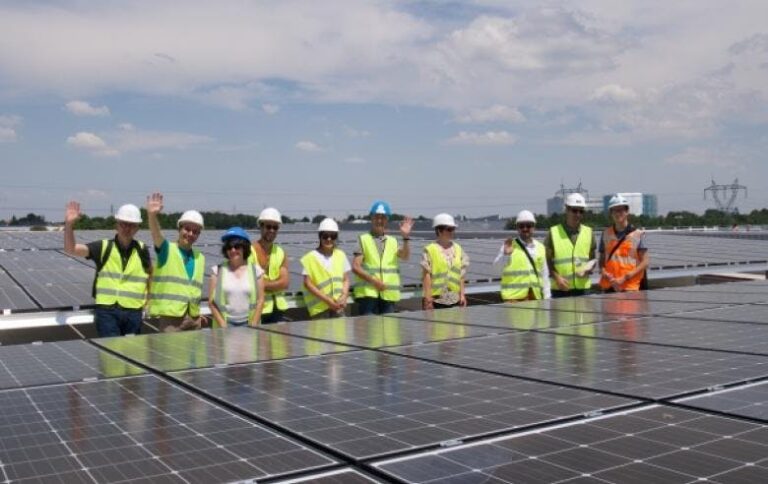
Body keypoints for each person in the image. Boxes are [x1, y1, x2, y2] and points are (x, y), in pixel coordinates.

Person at [64, 201, 151, 337]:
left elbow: (150, 275)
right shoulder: (103, 247)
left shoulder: (142, 249)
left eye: (132, 225)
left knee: (133, 353)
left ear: (137, 228)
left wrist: (148, 300)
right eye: (123, 223)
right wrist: (69, 225)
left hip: (133, 311)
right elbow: (71, 249)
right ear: (116, 225)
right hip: (107, 312)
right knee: (110, 354)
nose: (127, 228)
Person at [145, 192, 206, 332]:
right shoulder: (167, 250)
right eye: (187, 229)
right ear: (179, 229)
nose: (190, 234)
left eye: (195, 232)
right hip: (171, 320)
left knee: (194, 354)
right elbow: (156, 234)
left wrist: (196, 313)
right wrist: (152, 216)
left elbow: (193, 290)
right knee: (170, 353)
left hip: (194, 318)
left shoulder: (200, 257)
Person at [352, 200, 413, 315]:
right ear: (372, 218)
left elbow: (405, 256)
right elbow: (356, 267)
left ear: (387, 220)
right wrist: (374, 281)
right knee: (370, 331)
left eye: (383, 217)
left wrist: (405, 237)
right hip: (369, 296)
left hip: (388, 295)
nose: (380, 220)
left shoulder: (393, 241)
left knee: (389, 331)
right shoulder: (363, 239)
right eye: (377, 217)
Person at [208, 227, 265, 327]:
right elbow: (211, 303)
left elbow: (261, 300)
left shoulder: (256, 271)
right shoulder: (217, 271)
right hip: (225, 324)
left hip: (249, 324)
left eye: (237, 246)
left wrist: (254, 323)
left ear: (245, 247)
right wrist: (222, 324)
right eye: (229, 247)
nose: (233, 250)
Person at [545, 193, 596, 297]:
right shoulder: (553, 232)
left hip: (583, 289)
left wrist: (588, 269)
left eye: (581, 211)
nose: (577, 214)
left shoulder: (589, 232)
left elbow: (592, 259)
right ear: (566, 210)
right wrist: (557, 277)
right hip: (560, 288)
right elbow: (546, 261)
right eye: (574, 210)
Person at [495, 210, 551, 302]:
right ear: (517, 228)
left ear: (534, 227)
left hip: (535, 298)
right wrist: (505, 255)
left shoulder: (540, 247)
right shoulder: (509, 246)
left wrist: (547, 299)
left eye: (528, 226)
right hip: (513, 300)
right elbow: (496, 270)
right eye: (521, 226)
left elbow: (544, 276)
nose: (525, 229)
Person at [300, 218, 351, 319]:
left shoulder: (341, 255)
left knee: (340, 334)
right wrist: (328, 301)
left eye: (333, 236)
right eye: (325, 236)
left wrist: (344, 296)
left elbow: (346, 279)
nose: (329, 239)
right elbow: (307, 284)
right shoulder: (310, 257)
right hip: (320, 310)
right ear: (320, 236)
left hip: (338, 307)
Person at [599, 194, 650, 292]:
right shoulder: (605, 234)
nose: (618, 213)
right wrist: (603, 272)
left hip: (629, 287)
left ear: (627, 212)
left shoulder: (637, 234)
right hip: (610, 286)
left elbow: (645, 262)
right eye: (615, 210)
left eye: (621, 210)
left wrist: (625, 277)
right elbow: (602, 261)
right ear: (611, 213)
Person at [249, 207, 290, 324]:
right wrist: (276, 284)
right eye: (268, 226)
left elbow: (285, 283)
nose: (271, 230)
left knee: (278, 342)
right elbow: (249, 283)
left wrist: (262, 284)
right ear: (260, 226)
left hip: (278, 310)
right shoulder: (249, 251)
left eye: (275, 227)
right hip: (256, 309)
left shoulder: (281, 252)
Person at [421, 213, 469, 309]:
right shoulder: (430, 249)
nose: (452, 232)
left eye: (453, 229)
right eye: (449, 229)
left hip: (455, 300)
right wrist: (428, 298)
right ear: (439, 230)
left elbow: (461, 275)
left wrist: (462, 295)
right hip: (436, 301)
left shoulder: (458, 249)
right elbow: (426, 276)